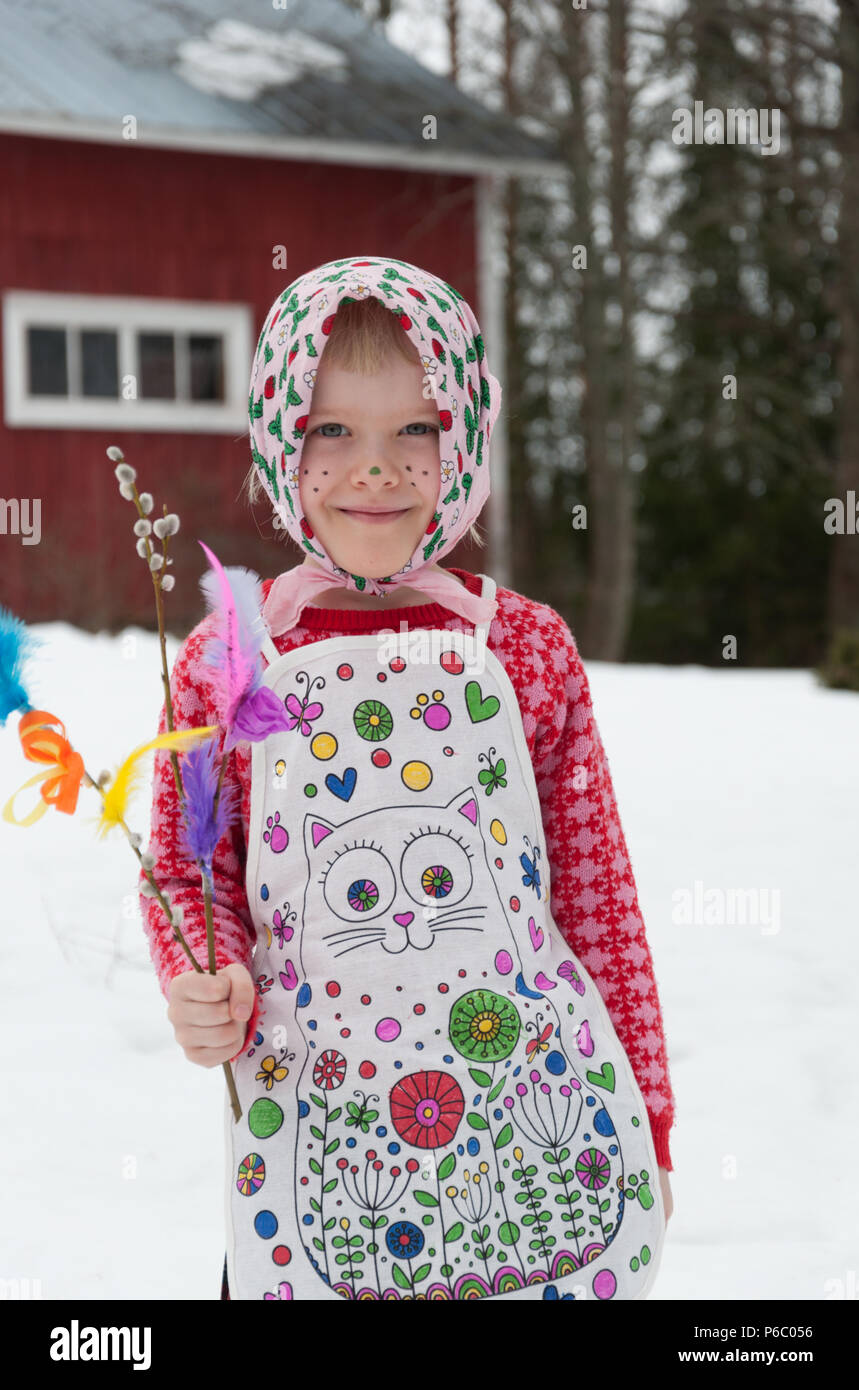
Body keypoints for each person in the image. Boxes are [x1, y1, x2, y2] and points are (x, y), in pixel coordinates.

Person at [140, 255, 675, 1303]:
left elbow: (601, 911)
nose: (372, 469)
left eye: (413, 430)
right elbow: (186, 868)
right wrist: (201, 975)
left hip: (529, 1125)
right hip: (315, 1151)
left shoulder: (527, 649)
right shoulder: (226, 658)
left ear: (464, 435)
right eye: (330, 431)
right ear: (276, 444)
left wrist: (643, 1122)